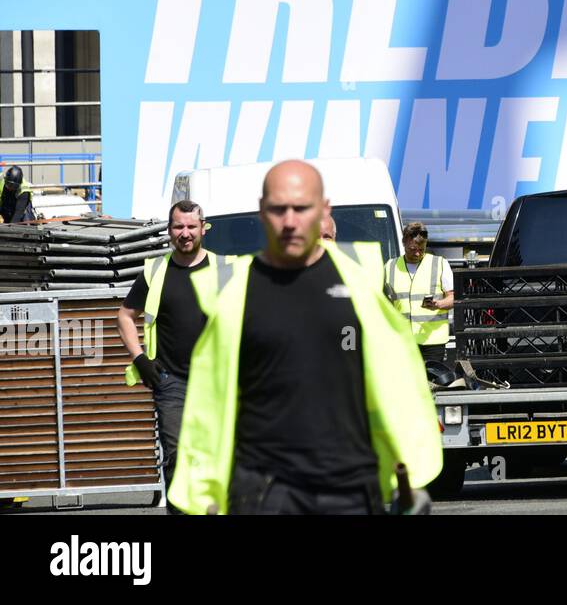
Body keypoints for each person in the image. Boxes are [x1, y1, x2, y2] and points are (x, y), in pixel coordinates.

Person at [168, 160, 440, 515]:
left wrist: (412, 476)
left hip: (350, 488)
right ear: (263, 211)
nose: (291, 220)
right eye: (279, 209)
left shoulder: (359, 286)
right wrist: (201, 492)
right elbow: (209, 401)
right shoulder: (234, 293)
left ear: (324, 210)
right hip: (264, 492)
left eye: (302, 208)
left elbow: (396, 382)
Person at [116, 200, 215, 511]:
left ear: (202, 228)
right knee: (175, 456)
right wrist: (139, 358)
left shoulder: (224, 269)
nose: (184, 233)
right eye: (178, 227)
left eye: (190, 226)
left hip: (216, 382)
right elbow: (124, 316)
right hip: (171, 383)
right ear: (170, 231)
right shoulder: (155, 271)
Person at [386, 222, 455, 369]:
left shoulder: (440, 263)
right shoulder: (389, 267)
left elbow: (453, 297)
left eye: (421, 249)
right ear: (404, 242)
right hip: (402, 341)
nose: (417, 253)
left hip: (433, 341)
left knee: (432, 385)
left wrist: (439, 304)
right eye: (413, 249)